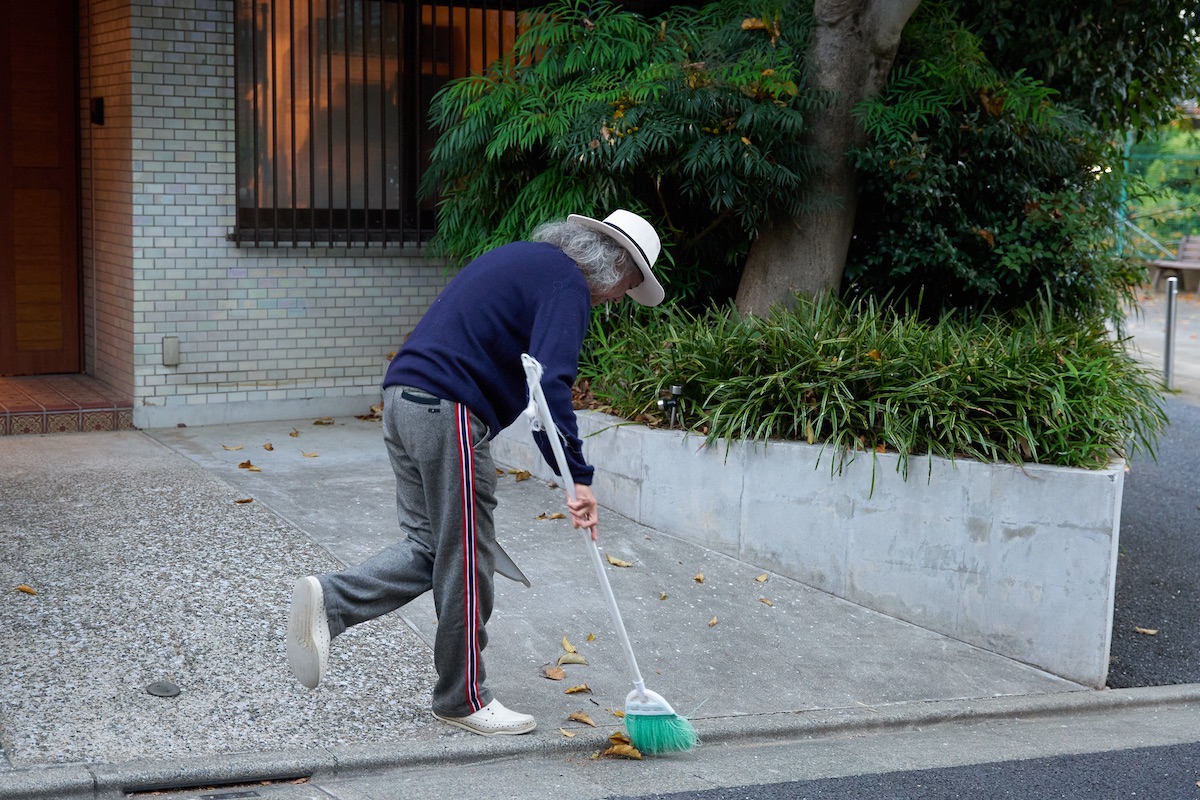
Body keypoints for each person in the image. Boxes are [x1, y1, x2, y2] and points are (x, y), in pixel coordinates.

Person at [286, 209, 664, 736]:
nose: (622, 296)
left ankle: (334, 600)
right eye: (630, 283)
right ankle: (462, 698)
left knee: (432, 547)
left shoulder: (525, 260)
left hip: (404, 400)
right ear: (614, 263)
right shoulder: (568, 284)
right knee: (467, 557)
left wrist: (563, 468)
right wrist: (577, 478)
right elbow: (550, 387)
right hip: (448, 411)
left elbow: (532, 383)